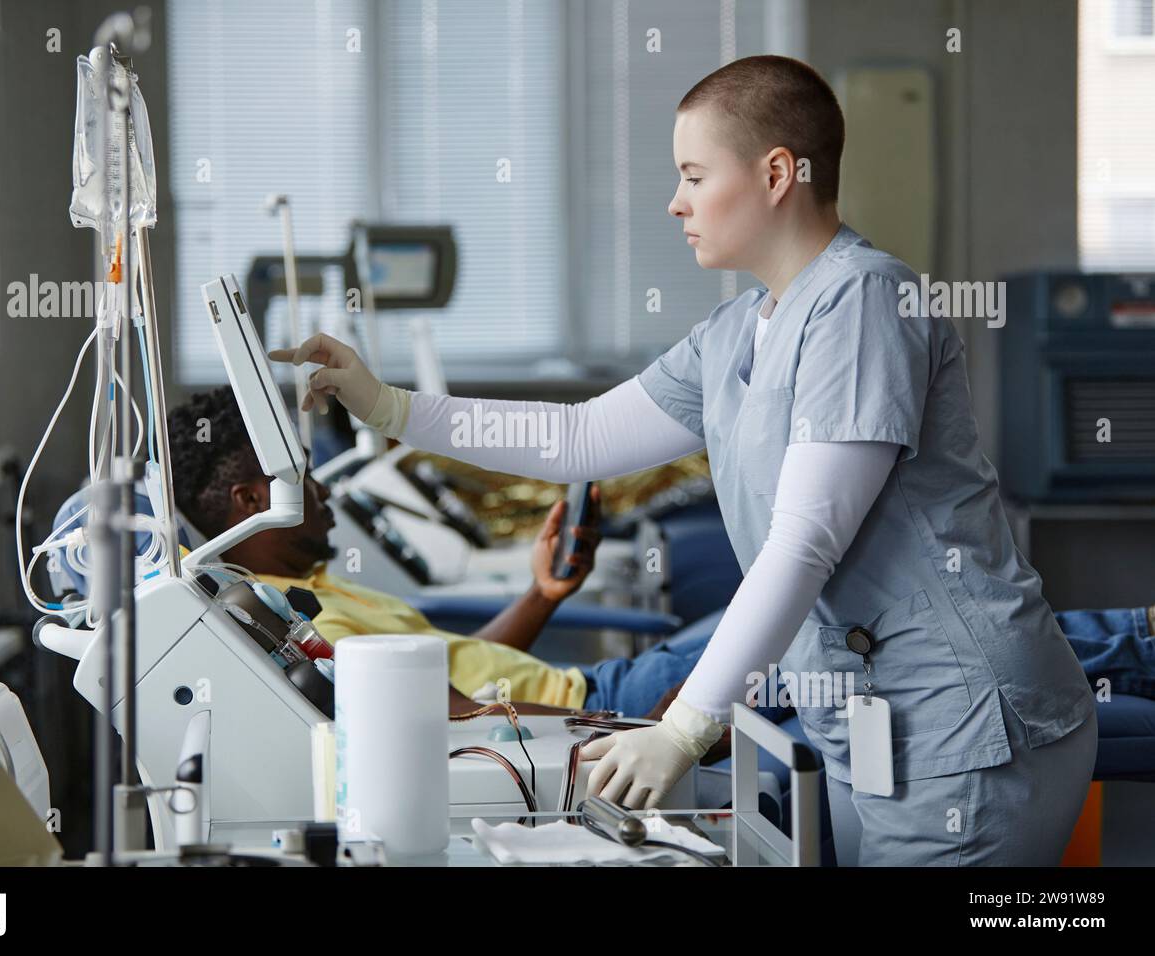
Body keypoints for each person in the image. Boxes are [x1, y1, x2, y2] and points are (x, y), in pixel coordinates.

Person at [269, 55, 1101, 866]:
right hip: (867, 728)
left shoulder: (863, 301)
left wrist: (684, 726)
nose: (675, 203)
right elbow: (578, 439)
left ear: (778, 173)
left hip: (964, 723)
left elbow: (805, 540)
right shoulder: (739, 331)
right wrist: (385, 405)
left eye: (694, 176)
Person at [165, 387, 758, 755]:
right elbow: (450, 712)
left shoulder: (313, 585)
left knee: (792, 637)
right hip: (610, 704)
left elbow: (462, 673)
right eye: (300, 475)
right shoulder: (299, 621)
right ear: (249, 502)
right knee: (798, 635)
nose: (321, 490)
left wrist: (543, 595)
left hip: (593, 687)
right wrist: (629, 730)